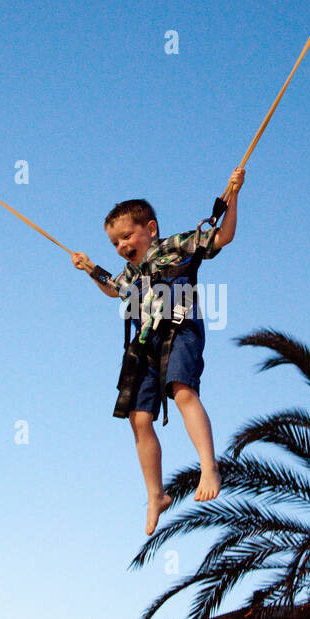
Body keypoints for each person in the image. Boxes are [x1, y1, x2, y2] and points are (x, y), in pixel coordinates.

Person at [71, 167, 244, 535]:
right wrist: (90, 270)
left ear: (149, 230)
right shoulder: (130, 274)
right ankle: (156, 494)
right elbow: (113, 289)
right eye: (115, 243)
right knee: (139, 418)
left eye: (126, 236)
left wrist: (234, 195)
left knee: (183, 391)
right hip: (145, 343)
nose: (121, 246)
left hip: (179, 327)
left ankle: (209, 465)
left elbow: (223, 236)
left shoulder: (174, 246)